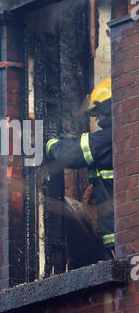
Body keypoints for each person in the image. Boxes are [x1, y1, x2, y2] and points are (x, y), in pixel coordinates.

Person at [46, 77, 115, 259]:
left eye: (99, 112)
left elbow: (73, 154)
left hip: (121, 241)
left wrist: (50, 144)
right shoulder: (119, 138)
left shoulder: (109, 138)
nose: (98, 119)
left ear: (109, 107)